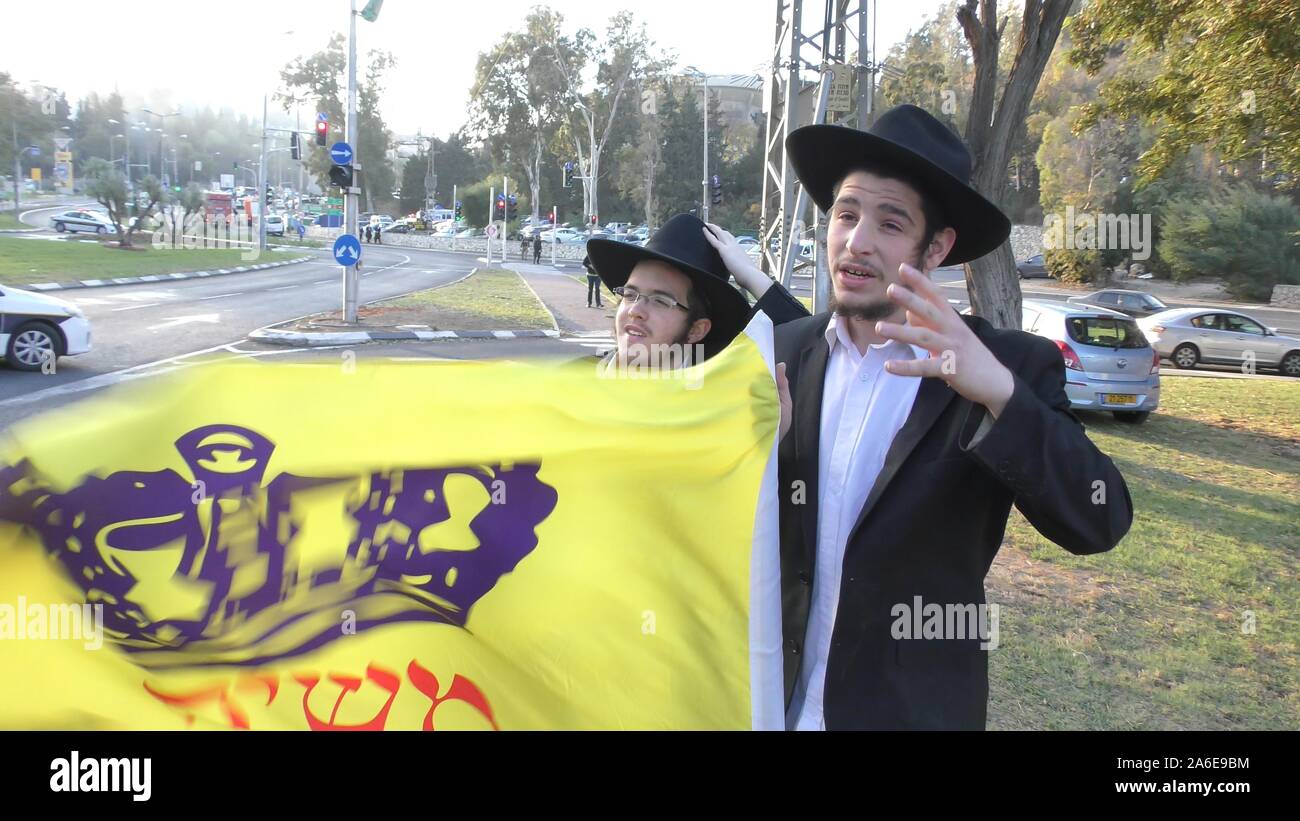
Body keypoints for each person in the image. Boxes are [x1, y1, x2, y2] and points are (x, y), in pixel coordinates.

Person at [772, 104, 1133, 730]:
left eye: (890, 223)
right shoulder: (785, 353)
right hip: (775, 705)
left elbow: (1099, 519)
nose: (856, 241)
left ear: (935, 247)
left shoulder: (1007, 366)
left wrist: (998, 392)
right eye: (847, 214)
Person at [585, 212, 808, 367]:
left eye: (660, 300)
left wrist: (750, 276)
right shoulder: (574, 390)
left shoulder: (720, 410)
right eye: (630, 294)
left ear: (696, 330)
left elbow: (812, 352)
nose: (635, 310)